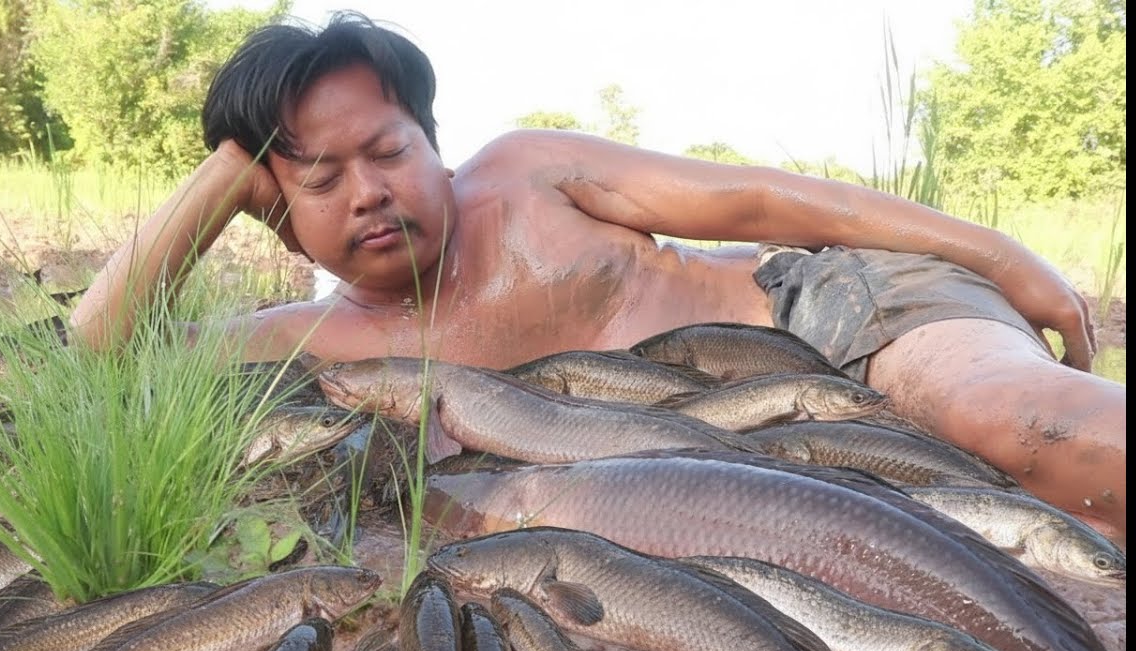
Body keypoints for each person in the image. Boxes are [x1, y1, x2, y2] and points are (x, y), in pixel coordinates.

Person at [69, 12, 1125, 540]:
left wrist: (997, 253)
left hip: (836, 312)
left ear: (432, 146)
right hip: (748, 457)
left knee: (1020, 429)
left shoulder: (528, 175)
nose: (367, 193)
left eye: (386, 152)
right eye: (318, 177)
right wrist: (223, 169)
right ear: (276, 217)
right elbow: (97, 351)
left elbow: (764, 200)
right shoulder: (312, 342)